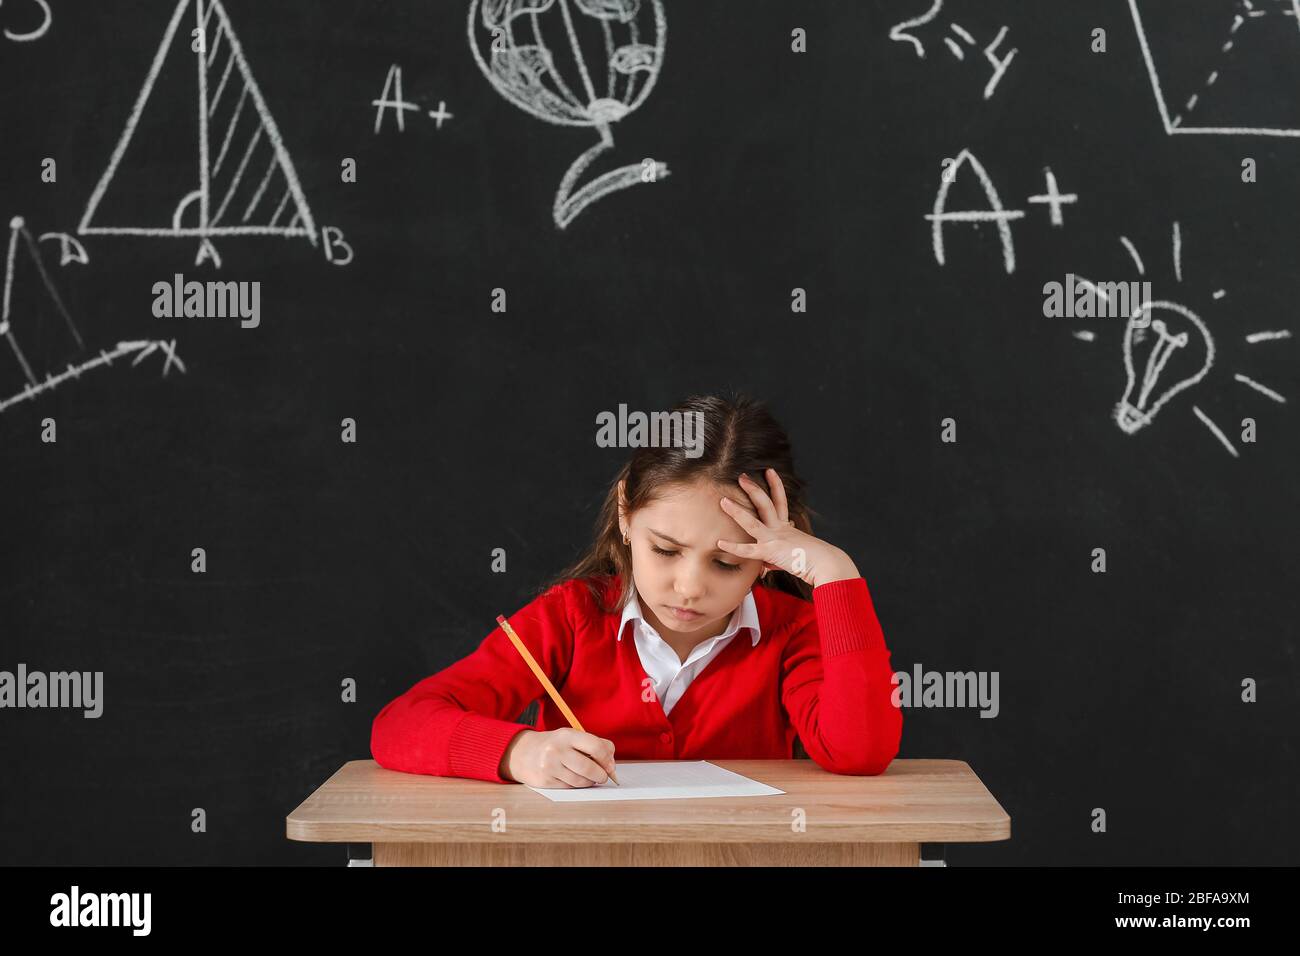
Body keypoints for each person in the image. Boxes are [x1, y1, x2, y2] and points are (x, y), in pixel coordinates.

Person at [370, 392, 902, 787]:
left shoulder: (793, 631)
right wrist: (519, 751)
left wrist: (835, 572)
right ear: (626, 513)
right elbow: (399, 725)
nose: (689, 587)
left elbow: (861, 752)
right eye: (665, 551)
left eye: (726, 561)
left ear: (769, 556)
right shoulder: (571, 617)